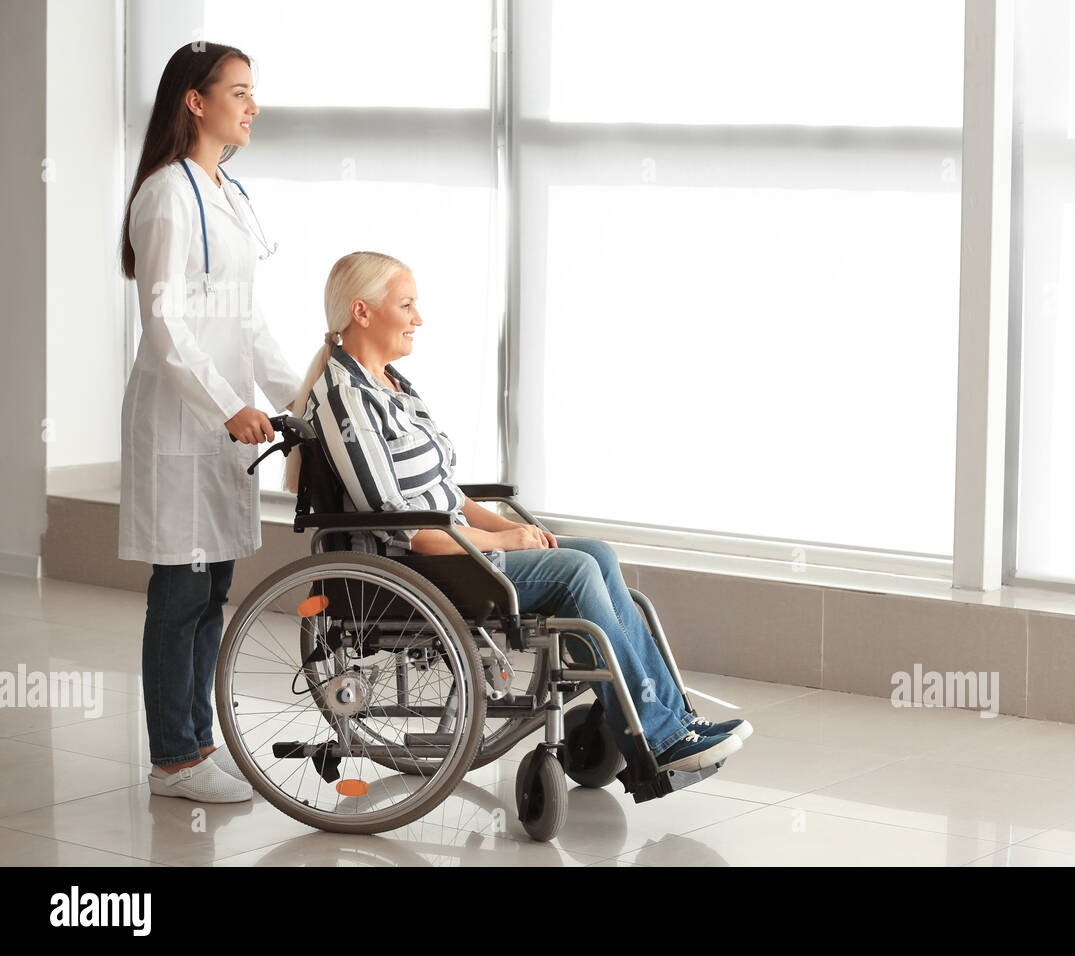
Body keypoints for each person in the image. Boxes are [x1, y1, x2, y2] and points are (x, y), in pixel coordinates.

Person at [284, 251, 753, 773]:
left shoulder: (393, 386)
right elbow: (406, 528)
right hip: (417, 568)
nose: (419, 318)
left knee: (596, 553)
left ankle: (673, 721)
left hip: (454, 550)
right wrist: (503, 543)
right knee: (575, 572)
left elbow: (447, 495)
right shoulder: (346, 399)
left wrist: (515, 529)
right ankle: (659, 738)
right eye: (407, 305)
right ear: (362, 311)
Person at [118, 43, 300, 803]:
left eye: (253, 92)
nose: (253, 105)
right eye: (239, 91)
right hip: (184, 420)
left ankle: (196, 741)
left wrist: (302, 394)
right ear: (195, 101)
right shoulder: (167, 194)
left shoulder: (226, 191)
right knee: (182, 593)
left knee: (213, 589)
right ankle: (173, 762)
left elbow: (246, 320)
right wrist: (228, 405)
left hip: (225, 426)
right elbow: (165, 326)